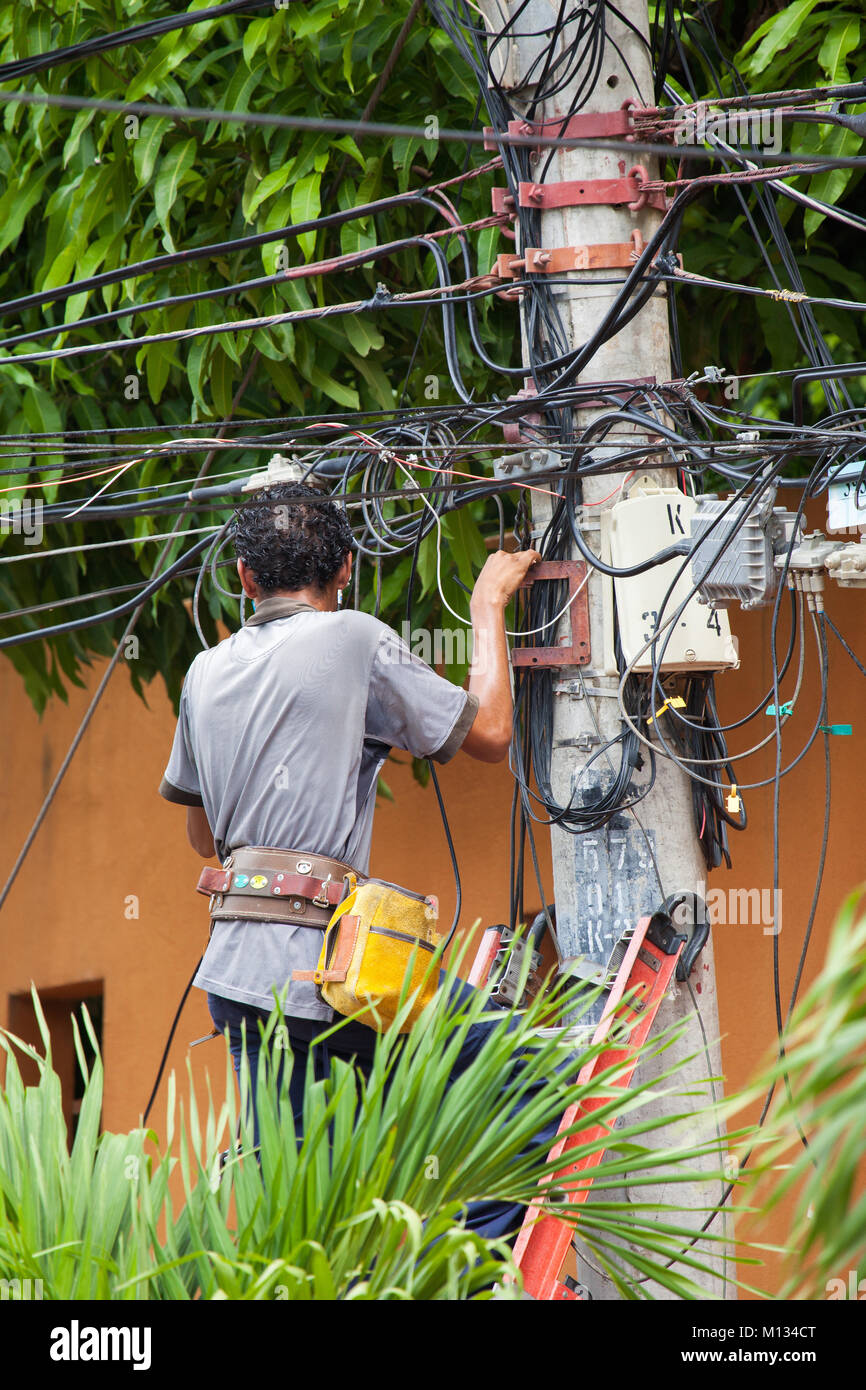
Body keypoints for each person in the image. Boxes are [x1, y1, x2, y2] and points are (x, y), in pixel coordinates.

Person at [159, 481, 542, 1238]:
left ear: (244, 577)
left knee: (309, 1220)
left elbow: (205, 839)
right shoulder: (354, 638)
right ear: (346, 567)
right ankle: (457, 1273)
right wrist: (488, 604)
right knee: (528, 1077)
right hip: (330, 979)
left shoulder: (204, 673)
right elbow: (492, 733)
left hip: (238, 982)